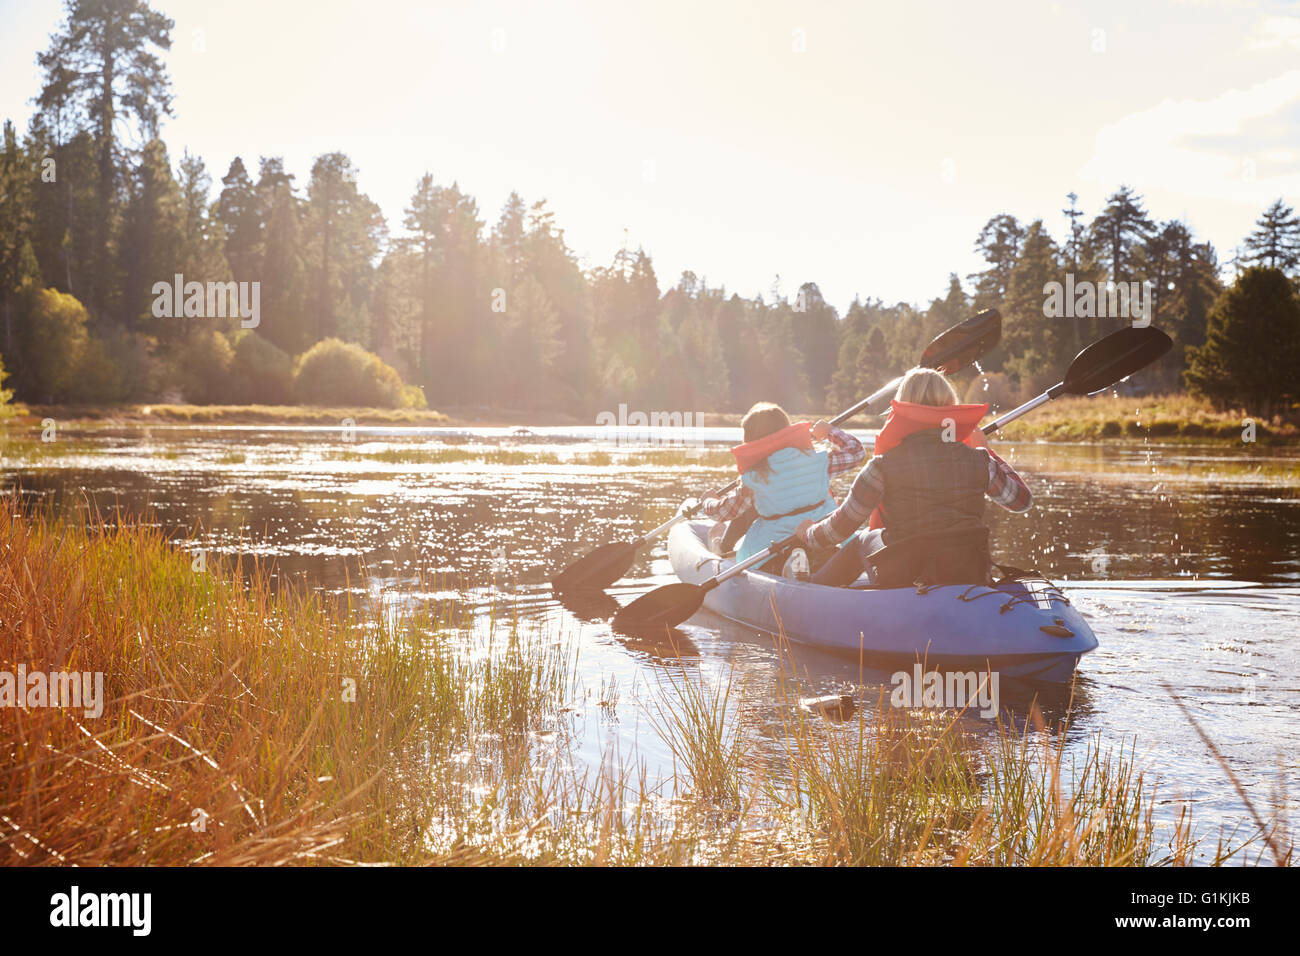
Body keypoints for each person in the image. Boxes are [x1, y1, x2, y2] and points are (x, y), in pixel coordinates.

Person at [796, 367, 1032, 587]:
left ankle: (809, 591)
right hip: (968, 570)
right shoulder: (981, 460)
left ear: (901, 409)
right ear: (951, 405)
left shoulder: (882, 466)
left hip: (905, 574)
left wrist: (809, 535)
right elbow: (1022, 501)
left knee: (860, 539)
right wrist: (987, 450)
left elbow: (840, 529)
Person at [696, 401, 865, 577]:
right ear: (788, 429)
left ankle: (789, 564)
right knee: (825, 547)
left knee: (764, 557)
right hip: (823, 533)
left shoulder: (754, 478)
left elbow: (725, 512)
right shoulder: (818, 460)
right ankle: (808, 559)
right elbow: (856, 452)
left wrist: (707, 501)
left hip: (777, 542)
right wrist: (830, 432)